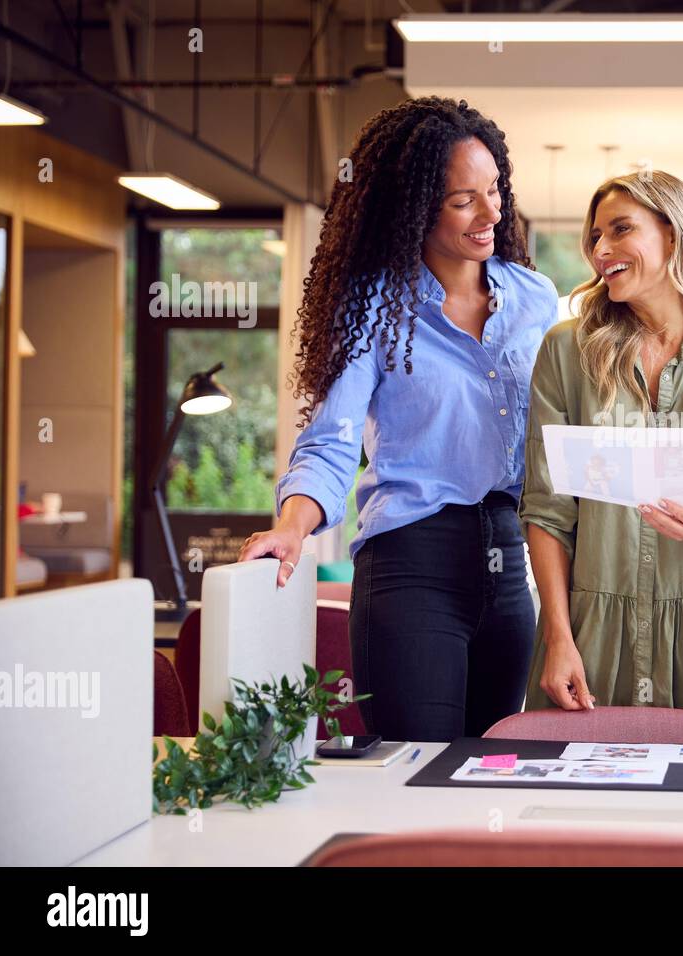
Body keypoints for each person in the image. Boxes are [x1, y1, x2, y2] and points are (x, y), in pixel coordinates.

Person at [238, 97, 558, 741]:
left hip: (507, 561)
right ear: (412, 207)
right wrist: (292, 527)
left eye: (494, 189)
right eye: (463, 199)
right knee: (416, 774)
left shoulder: (535, 299)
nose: (491, 212)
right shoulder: (374, 307)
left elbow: (565, 433)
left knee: (492, 770)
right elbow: (330, 443)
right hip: (412, 564)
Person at [520, 170, 683, 743]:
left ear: (673, 235)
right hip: (591, 634)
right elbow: (546, 511)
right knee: (582, 814)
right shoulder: (566, 353)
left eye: (621, 230)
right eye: (595, 238)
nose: (602, 250)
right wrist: (560, 637)